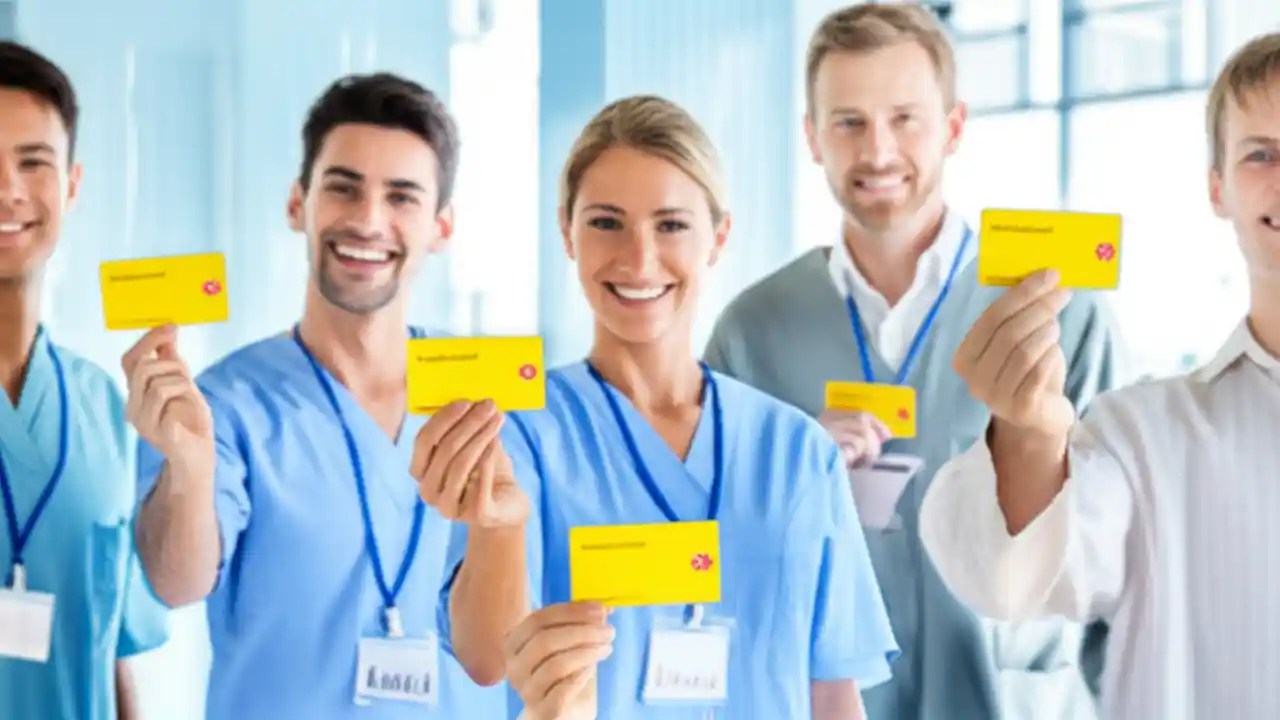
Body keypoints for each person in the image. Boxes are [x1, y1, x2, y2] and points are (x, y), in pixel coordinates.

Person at [701, 5, 1125, 719]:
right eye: (848, 122)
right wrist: (794, 473)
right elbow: (712, 550)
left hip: (1013, 699)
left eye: (905, 118)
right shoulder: (752, 332)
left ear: (953, 127)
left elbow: (1115, 553)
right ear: (812, 137)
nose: (877, 152)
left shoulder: (1054, 314)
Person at [418, 95, 899, 720]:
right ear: (567, 232)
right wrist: (497, 524)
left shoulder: (796, 451)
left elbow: (833, 691)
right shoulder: (522, 437)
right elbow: (486, 660)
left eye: (670, 225)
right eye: (606, 223)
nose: (639, 259)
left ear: (717, 237)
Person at [918, 31, 1280, 719]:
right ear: (1218, 188)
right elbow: (1014, 582)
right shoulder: (1142, 435)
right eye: (1261, 153)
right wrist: (1028, 435)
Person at [128, 72, 507, 719]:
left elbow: (499, 634)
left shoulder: (479, 393)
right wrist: (190, 469)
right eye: (343, 187)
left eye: (402, 197)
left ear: (441, 226)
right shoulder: (225, 403)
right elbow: (174, 581)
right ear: (297, 203)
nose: (367, 219)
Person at [0, 41, 168, 720]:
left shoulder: (104, 405)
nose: (8, 188)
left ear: (71, 184)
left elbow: (112, 645)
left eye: (33, 162)